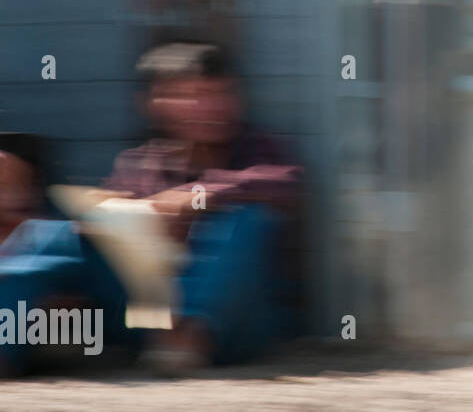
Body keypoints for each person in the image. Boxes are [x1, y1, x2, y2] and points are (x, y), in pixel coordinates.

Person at [0, 41, 302, 376]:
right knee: (50, 234)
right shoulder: (139, 165)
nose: (209, 107)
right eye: (192, 95)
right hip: (151, 318)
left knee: (248, 219)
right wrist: (104, 226)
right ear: (158, 103)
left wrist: (195, 199)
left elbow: (283, 183)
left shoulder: (257, 150)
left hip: (233, 325)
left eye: (220, 94)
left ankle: (189, 337)